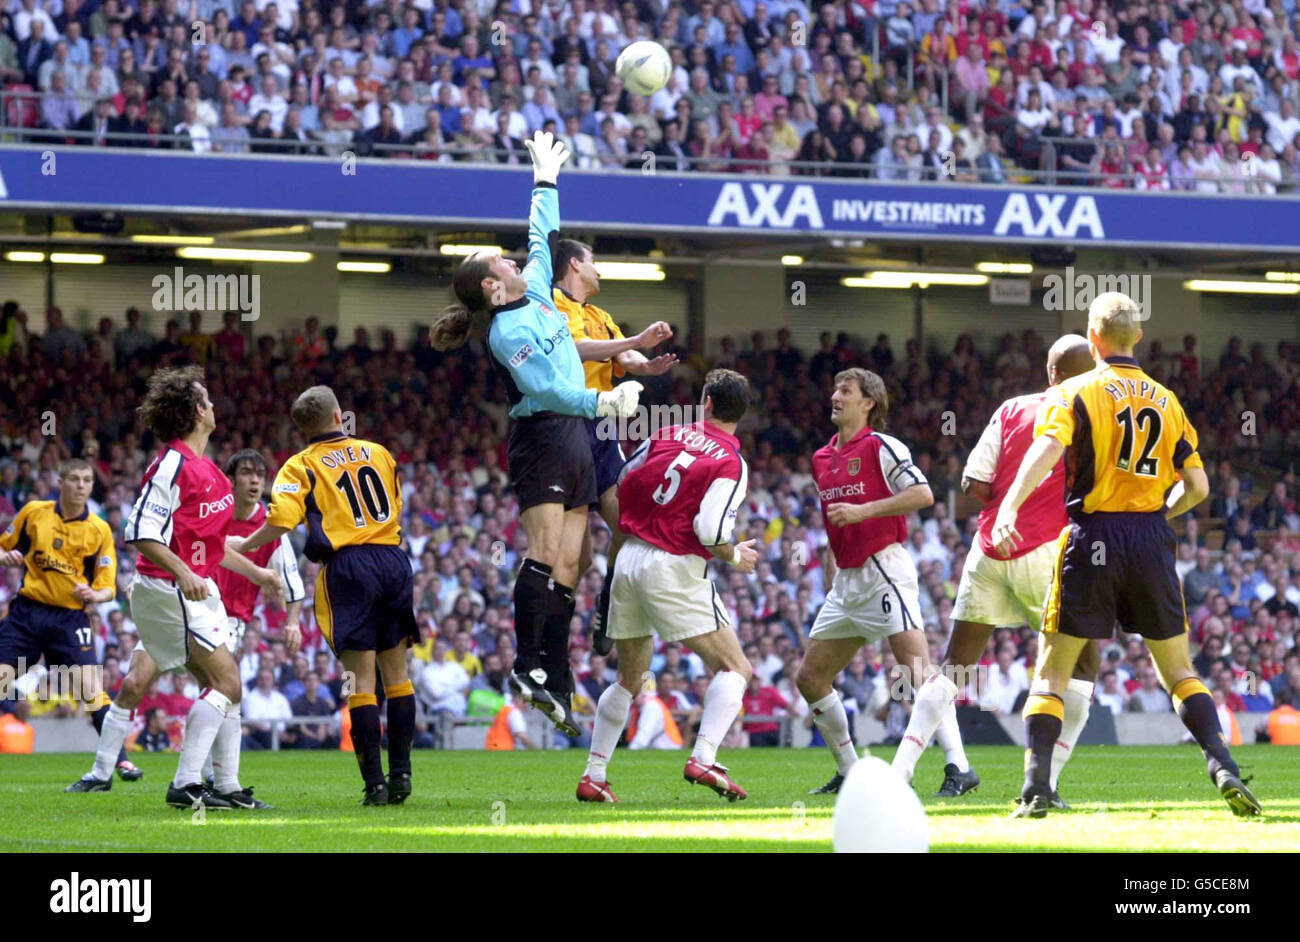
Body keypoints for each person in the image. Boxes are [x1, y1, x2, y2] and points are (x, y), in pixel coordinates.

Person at [992, 292, 1260, 818]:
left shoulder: (1075, 391)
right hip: (1151, 539)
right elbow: (1200, 486)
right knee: (1180, 671)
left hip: (1093, 535)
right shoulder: (1168, 399)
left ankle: (1035, 788)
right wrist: (1163, 514)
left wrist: (1010, 506)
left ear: (1092, 340)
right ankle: (1222, 765)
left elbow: (1047, 451)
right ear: (1137, 337)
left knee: (1052, 673)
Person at [429, 131, 644, 738]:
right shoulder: (505, 333)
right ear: (491, 288)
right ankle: (526, 667)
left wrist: (545, 179)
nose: (511, 259)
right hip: (544, 437)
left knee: (572, 561)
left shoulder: (538, 283)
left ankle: (555, 670)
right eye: (499, 263)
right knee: (545, 554)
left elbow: (541, 232)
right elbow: (548, 391)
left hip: (573, 434)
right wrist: (605, 398)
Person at [893, 335, 1096, 803]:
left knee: (952, 669)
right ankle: (1045, 783)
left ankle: (898, 774)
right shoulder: (1090, 416)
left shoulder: (1010, 409)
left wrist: (1008, 504)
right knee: (1080, 666)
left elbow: (972, 483)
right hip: (1047, 551)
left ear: (1050, 371)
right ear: (1091, 373)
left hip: (987, 550)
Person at [72, 366, 279, 809]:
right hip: (166, 588)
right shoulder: (171, 464)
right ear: (195, 412)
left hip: (190, 589)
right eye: (207, 399)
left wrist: (258, 568)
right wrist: (185, 572)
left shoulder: (212, 472)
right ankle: (186, 784)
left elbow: (214, 546)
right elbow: (140, 530)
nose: (214, 406)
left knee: (223, 684)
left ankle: (226, 787)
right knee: (226, 679)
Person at [229, 385, 416, 806]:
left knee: (359, 681)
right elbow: (397, 504)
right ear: (339, 416)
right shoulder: (379, 452)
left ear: (301, 429)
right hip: (392, 560)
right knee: (399, 676)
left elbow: (281, 519)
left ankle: (375, 785)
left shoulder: (301, 464)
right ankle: (402, 773)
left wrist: (243, 544)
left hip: (348, 568)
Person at [576, 369, 757, 803]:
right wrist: (736, 555)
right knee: (736, 669)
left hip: (630, 558)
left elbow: (623, 480)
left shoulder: (669, 432)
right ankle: (704, 757)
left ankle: (594, 774)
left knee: (630, 677)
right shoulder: (731, 462)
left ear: (707, 403)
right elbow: (711, 530)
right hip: (673, 564)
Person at [795, 368, 971, 795]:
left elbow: (922, 494)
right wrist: (834, 566)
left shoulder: (881, 445)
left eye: (846, 391)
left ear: (868, 402)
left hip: (884, 569)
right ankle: (850, 769)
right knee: (810, 678)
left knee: (916, 673)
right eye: (835, 388)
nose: (835, 396)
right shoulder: (822, 458)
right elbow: (834, 522)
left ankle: (958, 766)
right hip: (848, 581)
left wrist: (863, 511)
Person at [551, 237, 679, 655]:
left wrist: (649, 364)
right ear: (575, 264)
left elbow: (625, 361)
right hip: (567, 427)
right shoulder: (551, 302)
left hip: (603, 431)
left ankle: (607, 602)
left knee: (630, 526)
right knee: (574, 559)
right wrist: (635, 342)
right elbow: (576, 348)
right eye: (594, 262)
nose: (599, 269)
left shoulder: (599, 314)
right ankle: (553, 641)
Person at [1, 460, 137, 781]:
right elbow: (2, 546)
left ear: (92, 486)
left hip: (70, 619)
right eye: (74, 479)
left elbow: (107, 587)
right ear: (59, 482)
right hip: (27, 613)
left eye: (87, 480)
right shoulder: (33, 513)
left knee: (92, 691)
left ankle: (121, 760)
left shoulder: (99, 529)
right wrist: (4, 556)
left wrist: (93, 594)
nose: (80, 485)